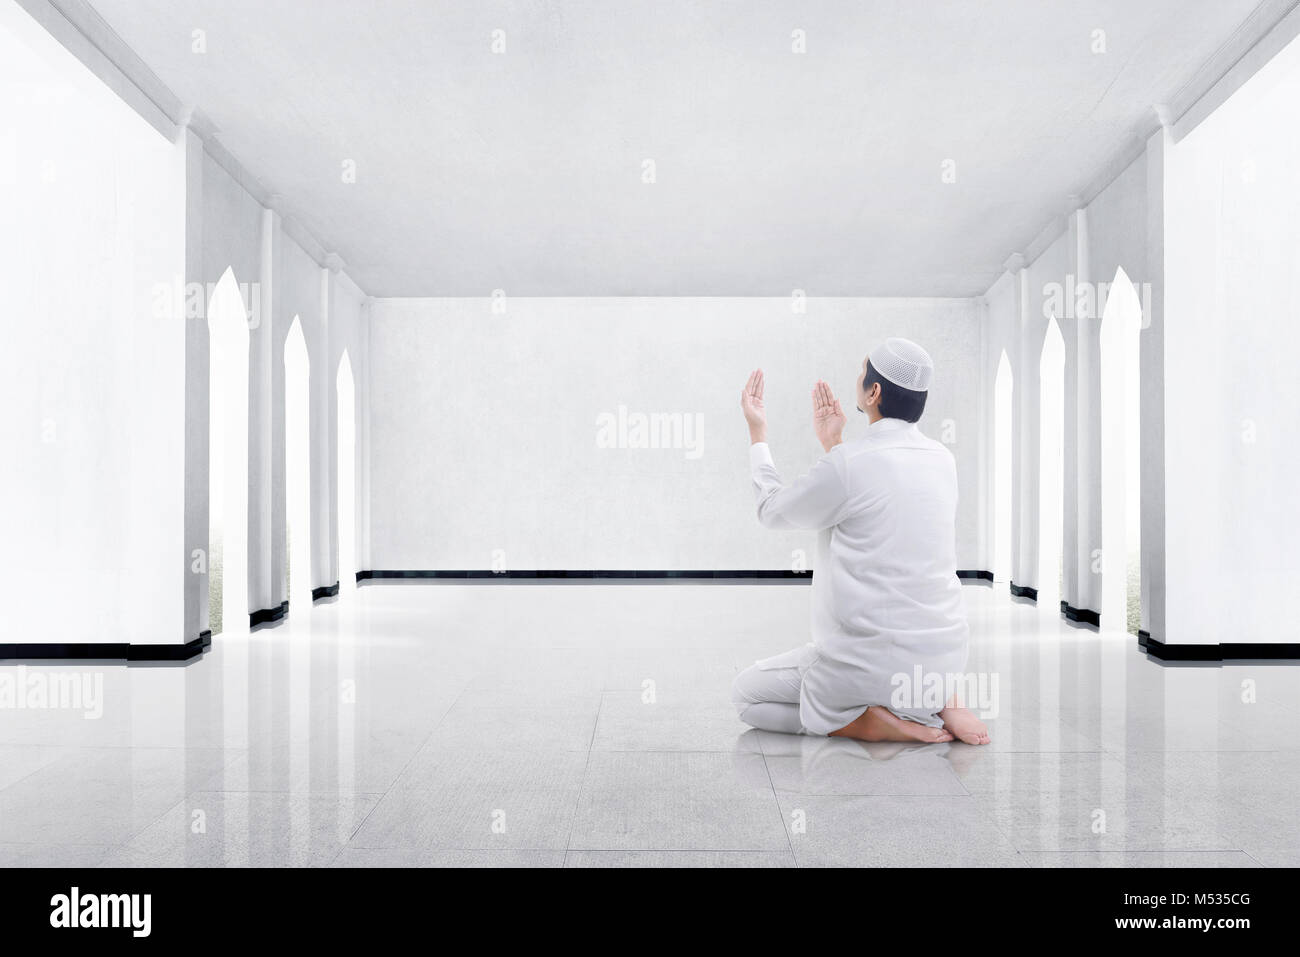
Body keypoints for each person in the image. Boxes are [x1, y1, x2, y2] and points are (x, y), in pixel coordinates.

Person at [730, 338, 990, 745]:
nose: (857, 379)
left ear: (874, 392)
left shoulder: (850, 463)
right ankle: (943, 702)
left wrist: (757, 431)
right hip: (941, 665)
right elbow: (876, 509)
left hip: (863, 668)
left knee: (746, 697)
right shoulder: (942, 459)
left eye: (862, 373)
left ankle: (863, 722)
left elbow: (772, 510)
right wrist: (835, 444)